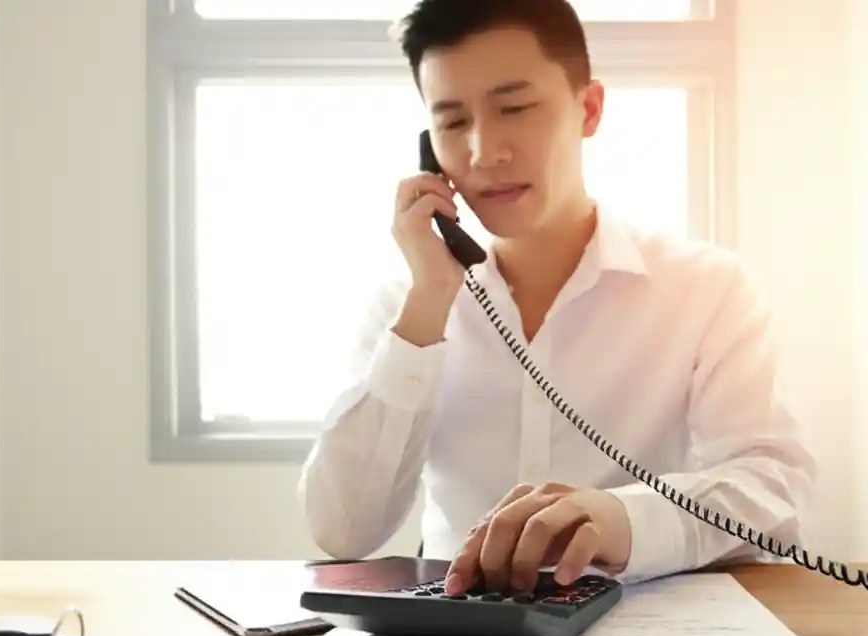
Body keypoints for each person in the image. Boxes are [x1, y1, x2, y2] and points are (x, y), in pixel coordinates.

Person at [297, 0, 815, 597]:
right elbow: (342, 533)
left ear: (588, 109)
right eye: (452, 122)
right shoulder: (408, 305)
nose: (484, 152)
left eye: (514, 108)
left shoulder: (707, 289)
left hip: (644, 634)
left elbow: (772, 488)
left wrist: (625, 520)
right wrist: (428, 306)